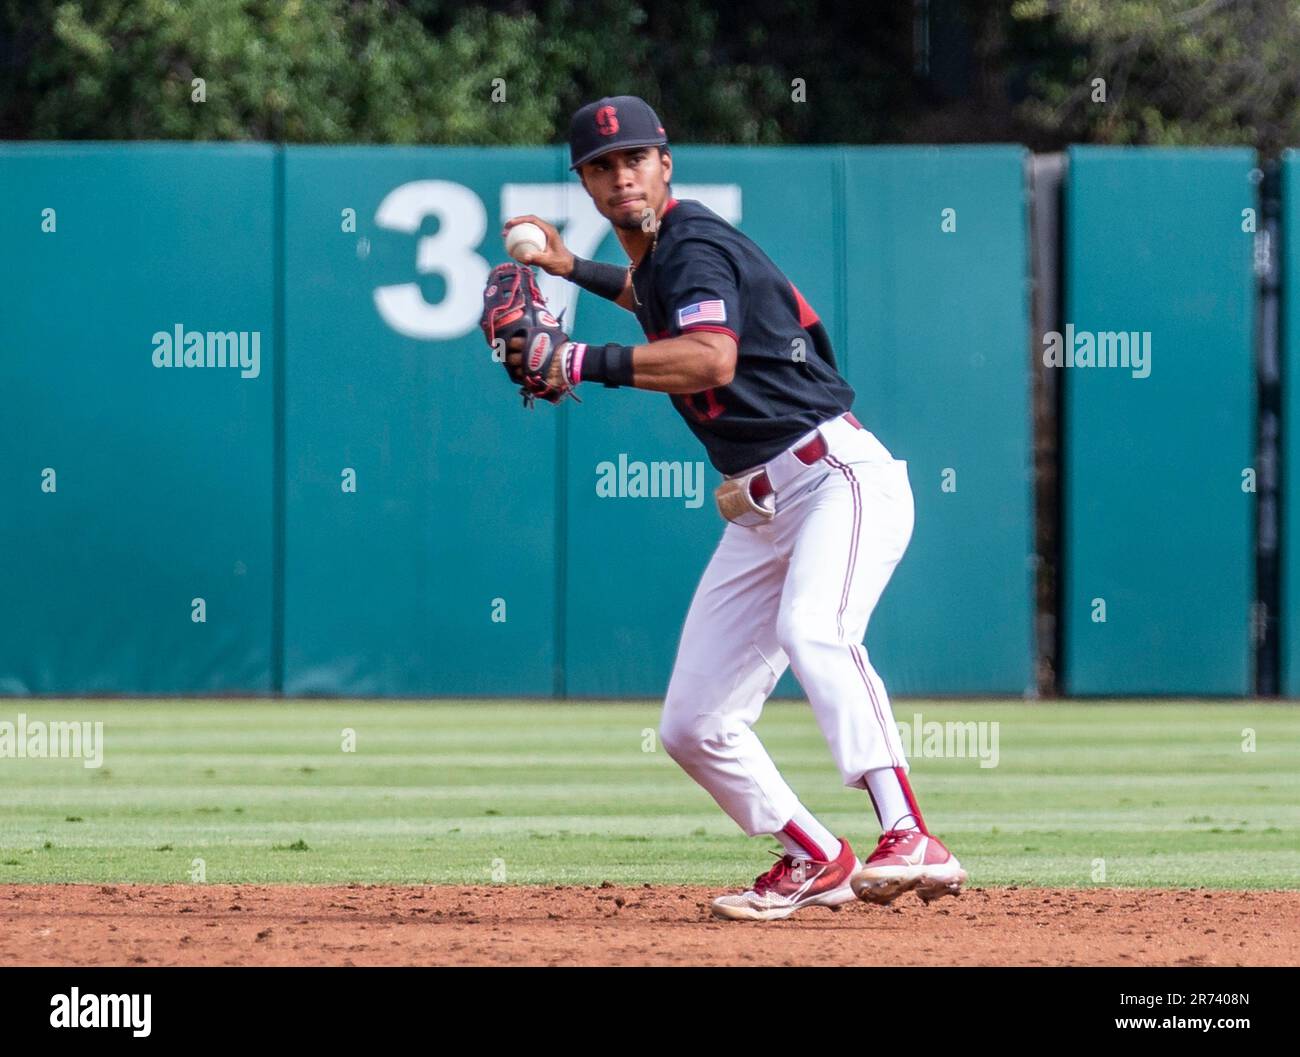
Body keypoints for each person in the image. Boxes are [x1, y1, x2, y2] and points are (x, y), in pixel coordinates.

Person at [503, 95, 966, 921]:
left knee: (815, 630)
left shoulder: (693, 242)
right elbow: (653, 296)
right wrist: (571, 269)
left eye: (635, 158)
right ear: (586, 181)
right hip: (765, 507)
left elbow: (712, 358)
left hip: (837, 478)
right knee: (692, 722)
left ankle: (910, 832)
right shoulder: (666, 259)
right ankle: (815, 855)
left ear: (665, 164)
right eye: (602, 167)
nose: (621, 176)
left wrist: (577, 359)